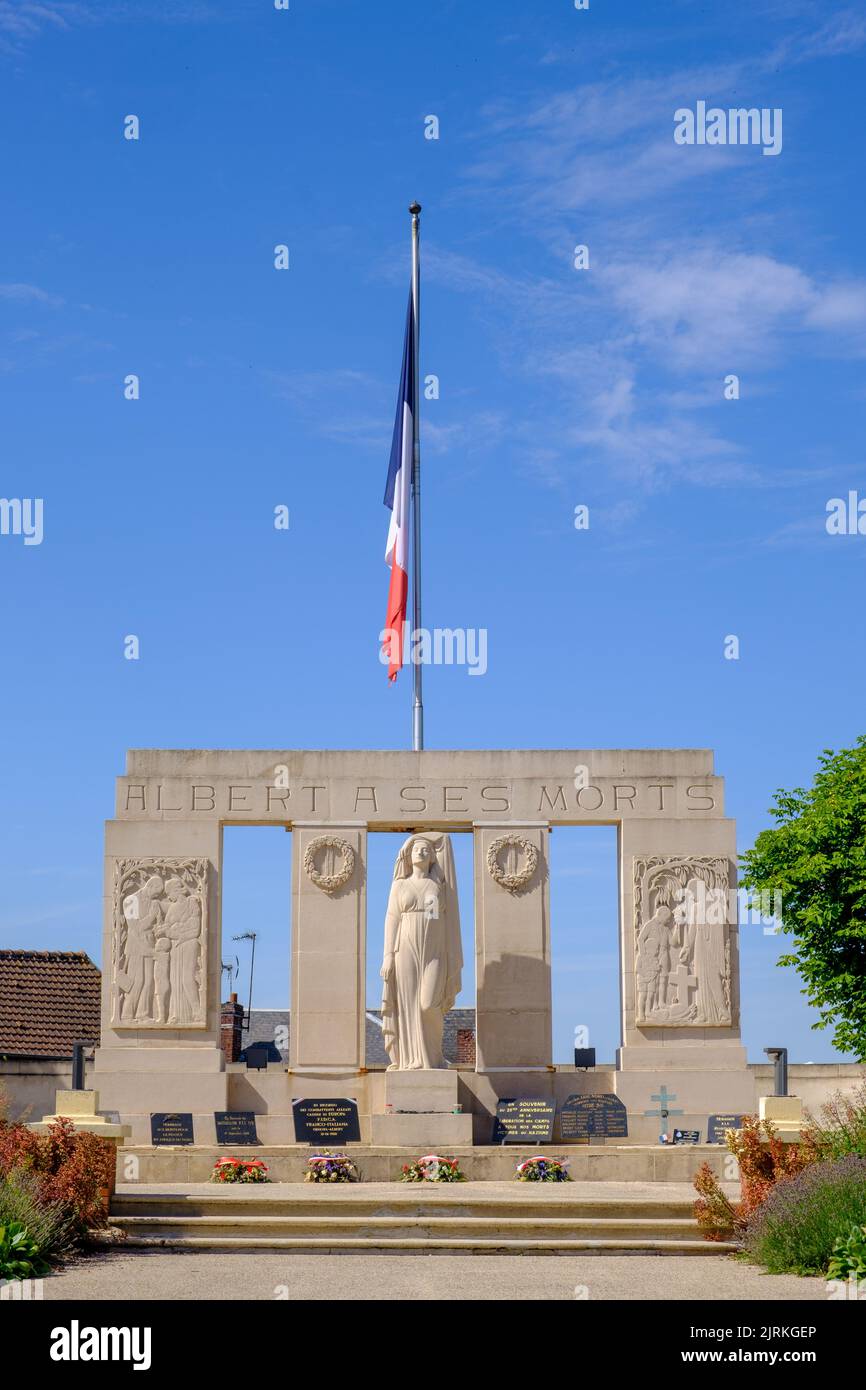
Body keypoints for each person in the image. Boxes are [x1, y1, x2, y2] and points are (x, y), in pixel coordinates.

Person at [380, 833, 462, 1070]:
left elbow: (435, 917)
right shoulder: (399, 885)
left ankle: (433, 1056)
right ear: (408, 854)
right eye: (416, 848)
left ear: (433, 857)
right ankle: (411, 1059)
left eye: (426, 849)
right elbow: (392, 919)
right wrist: (388, 956)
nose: (421, 852)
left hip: (433, 950)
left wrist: (441, 841)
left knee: (427, 1003)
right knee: (408, 1003)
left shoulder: (436, 887)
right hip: (404, 947)